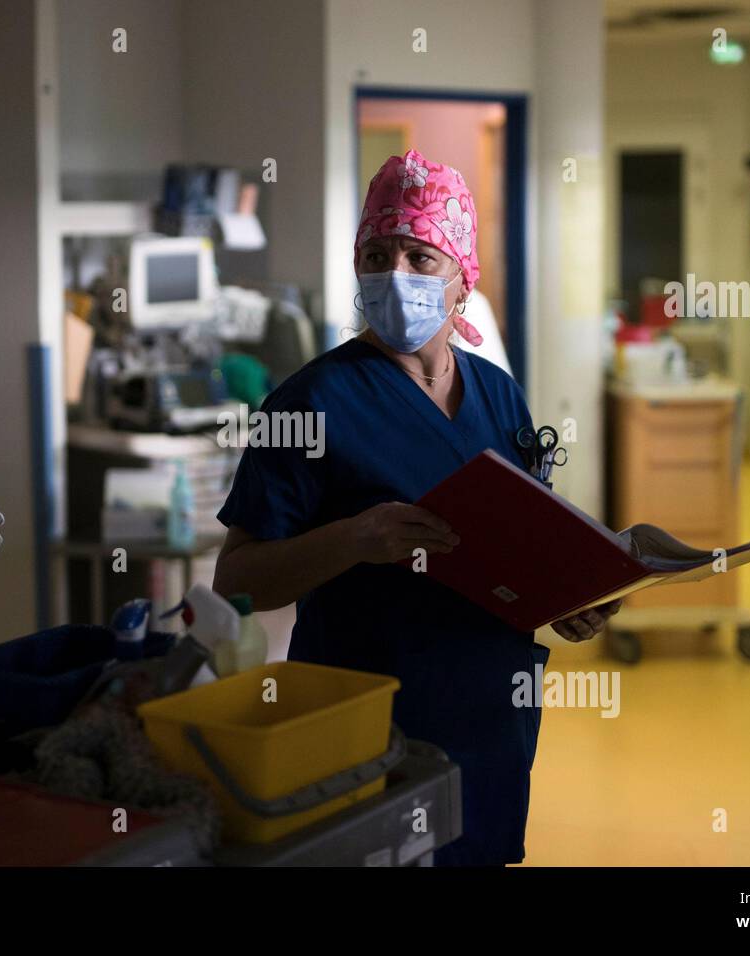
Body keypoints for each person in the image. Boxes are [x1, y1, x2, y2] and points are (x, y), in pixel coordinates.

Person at [213, 148, 621, 865]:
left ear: (463, 276)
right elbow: (238, 581)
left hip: (491, 720)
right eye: (376, 253)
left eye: (418, 255)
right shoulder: (311, 403)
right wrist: (353, 539)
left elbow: (527, 548)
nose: (393, 275)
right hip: (369, 729)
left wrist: (572, 601)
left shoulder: (498, 394)